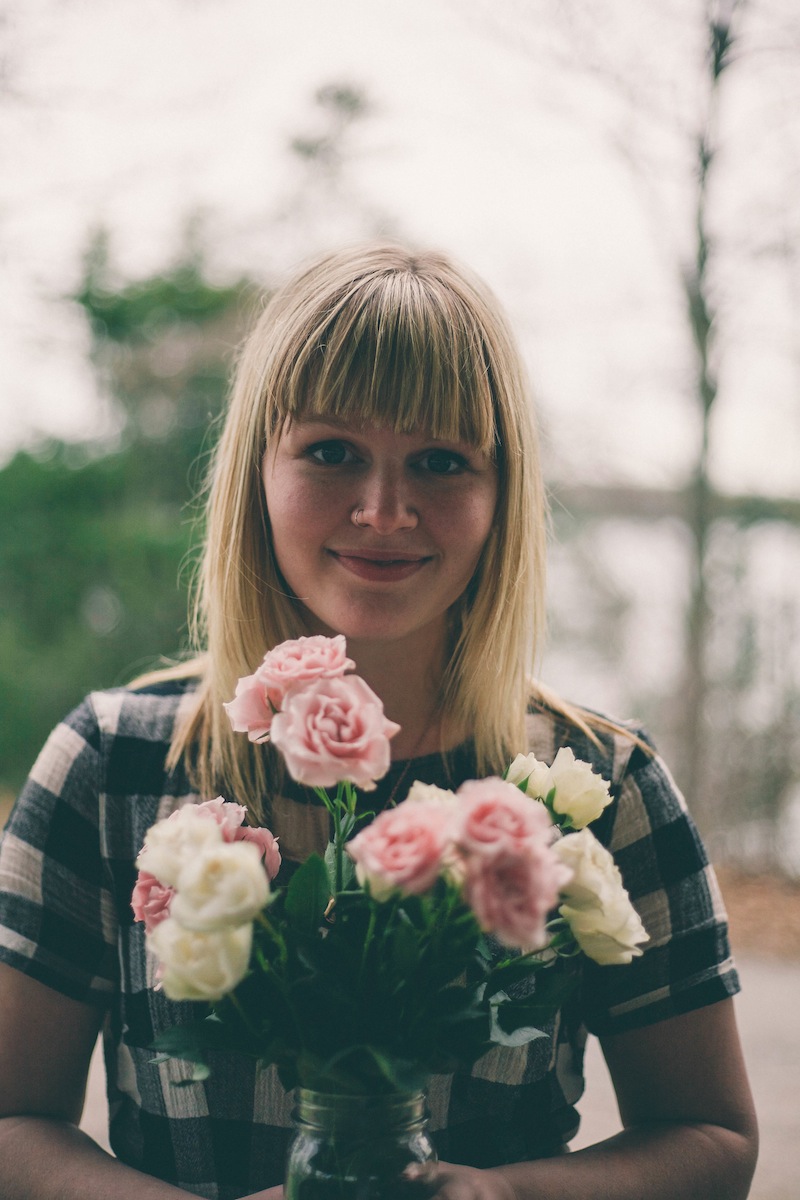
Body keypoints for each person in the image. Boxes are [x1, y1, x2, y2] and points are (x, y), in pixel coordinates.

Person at [0, 243, 757, 1200]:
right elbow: (13, 1123)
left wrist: (501, 1195)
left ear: (502, 492)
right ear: (256, 470)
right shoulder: (109, 765)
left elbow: (713, 1138)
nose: (385, 510)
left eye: (440, 461)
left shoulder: (599, 784)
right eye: (332, 451)